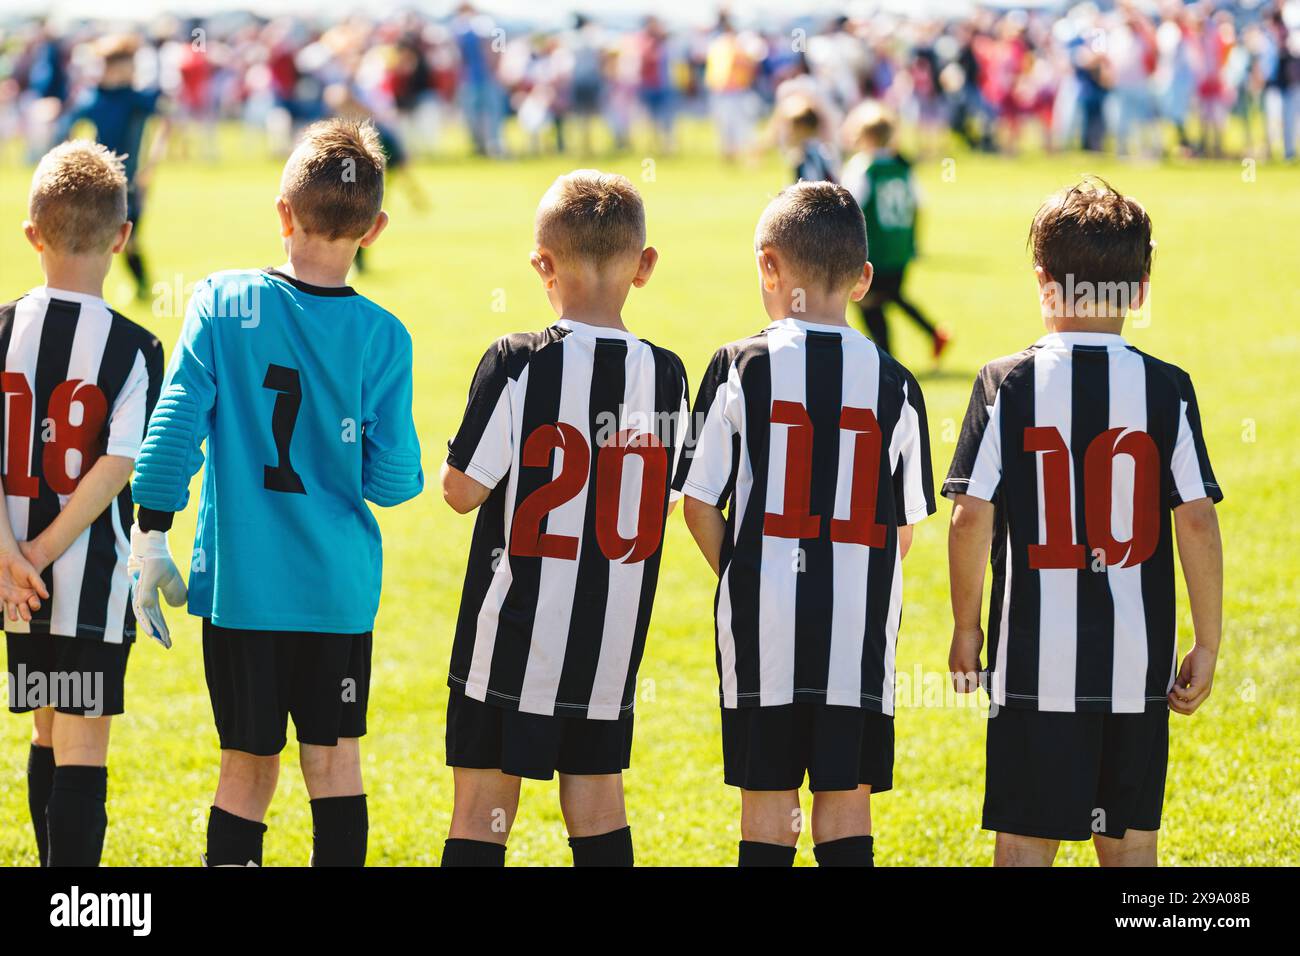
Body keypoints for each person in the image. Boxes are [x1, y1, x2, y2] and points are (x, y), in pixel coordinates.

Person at [128, 119, 424, 867]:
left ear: (282, 213)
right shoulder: (383, 334)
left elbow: (170, 432)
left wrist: (150, 534)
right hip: (335, 594)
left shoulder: (223, 303)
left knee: (245, 770)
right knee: (334, 764)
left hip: (243, 595)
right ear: (376, 229)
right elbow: (391, 483)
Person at [944, 178, 1224, 867]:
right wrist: (1208, 641)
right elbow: (1196, 523)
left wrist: (966, 625)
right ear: (1140, 287)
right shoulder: (1166, 386)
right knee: (1130, 849)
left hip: (1035, 664)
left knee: (1026, 842)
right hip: (1137, 665)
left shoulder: (1006, 381)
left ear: (1042, 282)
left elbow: (970, 514)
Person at [676, 181, 935, 867]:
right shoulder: (896, 381)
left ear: (769, 266)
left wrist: (746, 571)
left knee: (768, 798)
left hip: (765, 622)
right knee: (846, 797)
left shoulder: (740, 365)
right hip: (858, 619)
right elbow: (904, 529)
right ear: (864, 279)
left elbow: (697, 503)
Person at [440, 171, 688, 867]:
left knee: (484, 808)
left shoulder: (518, 360)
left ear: (540, 264)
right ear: (645, 267)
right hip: (608, 645)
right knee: (598, 805)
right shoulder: (667, 375)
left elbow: (462, 493)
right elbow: (663, 496)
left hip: (511, 633)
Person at [0, 140, 165, 866]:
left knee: (45, 730)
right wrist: (37, 553)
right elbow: (117, 465)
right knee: (81, 745)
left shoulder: (2, 328)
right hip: (86, 578)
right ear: (122, 237)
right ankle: (73, 909)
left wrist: (11, 554)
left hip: (17, 583)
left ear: (32, 233)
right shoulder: (134, 346)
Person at [54, 35, 170, 301]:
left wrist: (150, 165)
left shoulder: (138, 99)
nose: (132, 72)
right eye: (127, 66)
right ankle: (85, 292)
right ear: (110, 67)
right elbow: (68, 129)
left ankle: (142, 287)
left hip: (130, 182)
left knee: (129, 238)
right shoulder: (92, 98)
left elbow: (165, 123)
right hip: (97, 181)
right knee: (91, 238)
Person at [840, 102, 950, 363]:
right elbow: (919, 205)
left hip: (874, 249)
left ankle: (887, 360)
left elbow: (848, 205)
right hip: (900, 249)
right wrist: (915, 242)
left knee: (868, 302)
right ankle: (931, 334)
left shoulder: (863, 168)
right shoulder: (903, 168)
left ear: (865, 136)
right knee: (890, 296)